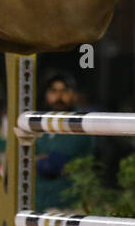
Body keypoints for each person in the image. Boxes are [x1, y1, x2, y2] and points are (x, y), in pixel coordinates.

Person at [35, 75, 96, 210]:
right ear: (46, 94)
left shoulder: (81, 123)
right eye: (54, 91)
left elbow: (64, 164)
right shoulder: (36, 121)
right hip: (37, 202)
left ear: (73, 94)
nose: (59, 96)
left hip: (69, 204)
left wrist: (47, 160)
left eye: (64, 91)